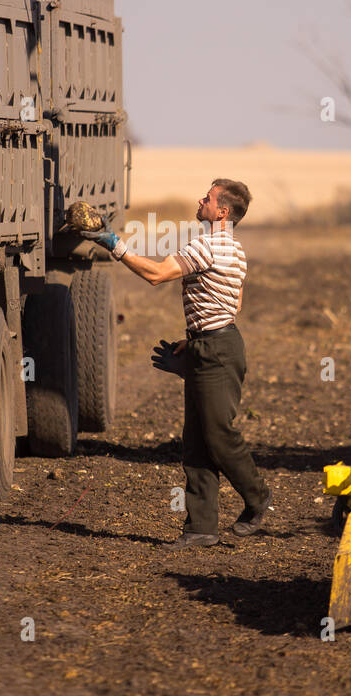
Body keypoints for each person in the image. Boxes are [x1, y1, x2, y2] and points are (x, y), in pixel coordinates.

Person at [83, 179, 272, 548]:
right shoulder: (234, 249)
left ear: (222, 212)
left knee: (219, 433)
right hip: (213, 345)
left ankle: (257, 495)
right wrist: (196, 343)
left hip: (217, 350)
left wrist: (114, 245)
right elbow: (232, 306)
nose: (200, 199)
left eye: (209, 197)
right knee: (197, 441)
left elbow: (155, 275)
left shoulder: (209, 246)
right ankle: (201, 528)